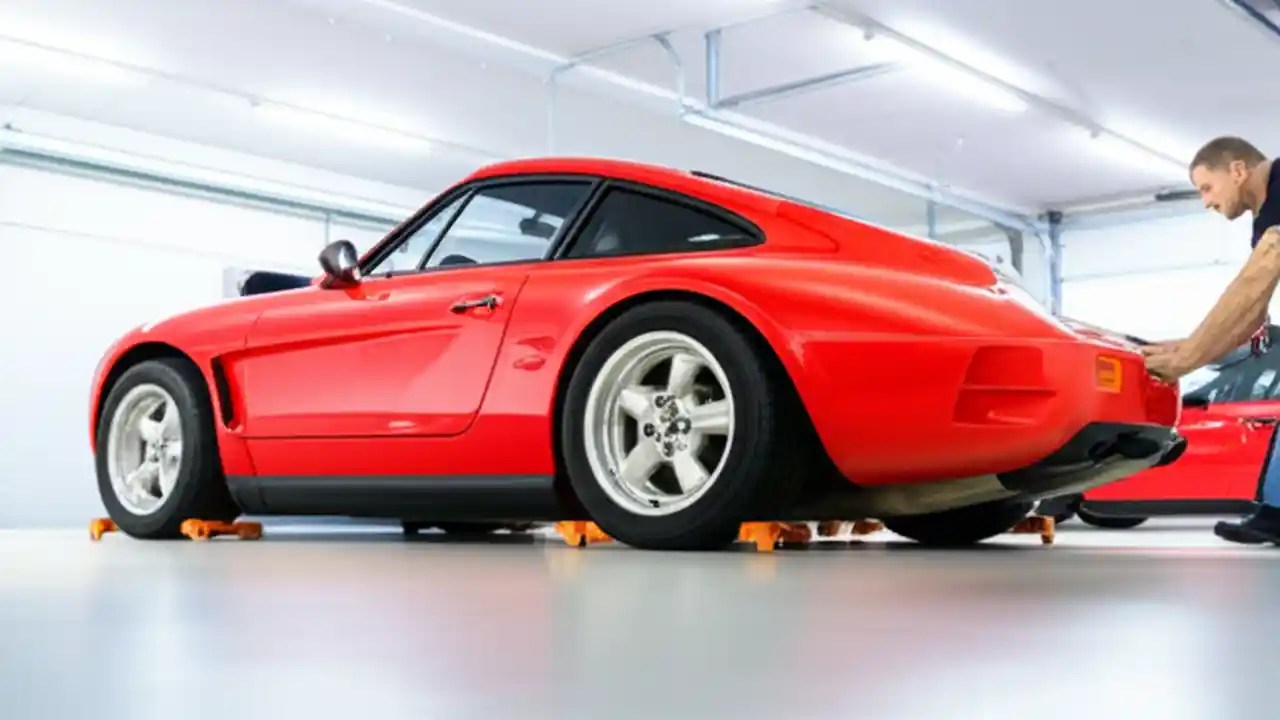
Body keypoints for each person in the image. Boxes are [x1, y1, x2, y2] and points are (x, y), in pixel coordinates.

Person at [1142, 136, 1280, 544]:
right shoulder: (1265, 217)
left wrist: (1188, 357)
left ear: (1238, 170)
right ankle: (1275, 515)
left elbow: (1257, 279)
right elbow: (1251, 313)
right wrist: (1187, 347)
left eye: (1207, 187)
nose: (1206, 201)